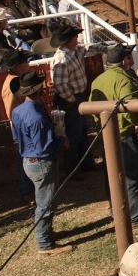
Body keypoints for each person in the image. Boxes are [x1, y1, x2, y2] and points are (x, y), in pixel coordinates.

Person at [11, 71, 73, 255]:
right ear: (39, 90)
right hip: (42, 162)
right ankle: (44, 244)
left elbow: (16, 137)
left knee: (44, 201)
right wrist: (62, 140)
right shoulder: (37, 117)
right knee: (46, 204)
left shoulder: (18, 111)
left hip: (28, 160)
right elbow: (44, 147)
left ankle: (46, 233)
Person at [90, 44, 138, 223]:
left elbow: (93, 107)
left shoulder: (97, 81)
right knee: (131, 173)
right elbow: (129, 105)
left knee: (110, 173)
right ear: (123, 61)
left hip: (105, 132)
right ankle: (135, 215)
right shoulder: (123, 80)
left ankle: (113, 208)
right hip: (124, 133)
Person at [48, 22, 98, 178]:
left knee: (82, 131)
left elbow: (88, 49)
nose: (78, 38)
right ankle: (72, 169)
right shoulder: (61, 59)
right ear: (69, 40)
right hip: (70, 100)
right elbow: (61, 86)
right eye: (75, 36)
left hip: (76, 96)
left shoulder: (73, 51)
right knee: (73, 134)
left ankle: (85, 164)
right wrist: (74, 102)